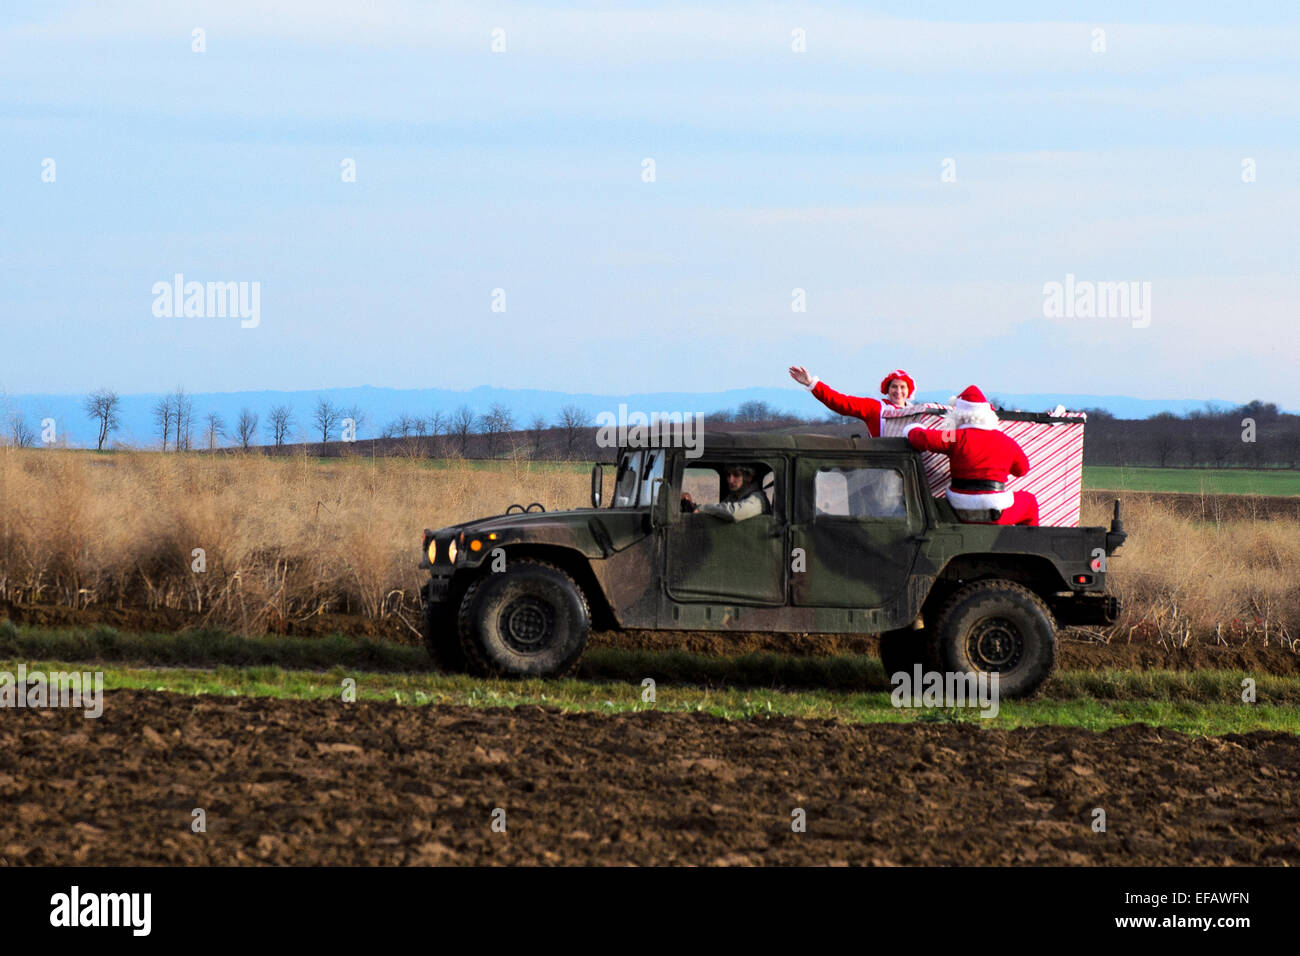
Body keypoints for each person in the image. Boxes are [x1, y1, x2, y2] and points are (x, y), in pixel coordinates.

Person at [903, 385, 1039, 526]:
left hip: (959, 509)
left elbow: (919, 438)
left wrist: (913, 428)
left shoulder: (954, 437)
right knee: (1030, 502)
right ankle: (1027, 545)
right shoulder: (1006, 441)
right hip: (997, 512)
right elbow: (1022, 470)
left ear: (958, 415)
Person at [788, 366, 916, 437]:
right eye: (894, 386)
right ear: (887, 389)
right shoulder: (875, 407)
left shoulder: (917, 412)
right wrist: (812, 384)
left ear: (909, 390)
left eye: (902, 387)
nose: (898, 391)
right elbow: (841, 402)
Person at [682, 464, 770, 523]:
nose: (730, 480)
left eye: (736, 475)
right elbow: (720, 510)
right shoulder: (733, 497)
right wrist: (693, 506)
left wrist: (702, 508)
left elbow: (734, 513)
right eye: (728, 475)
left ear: (748, 477)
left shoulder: (758, 499)